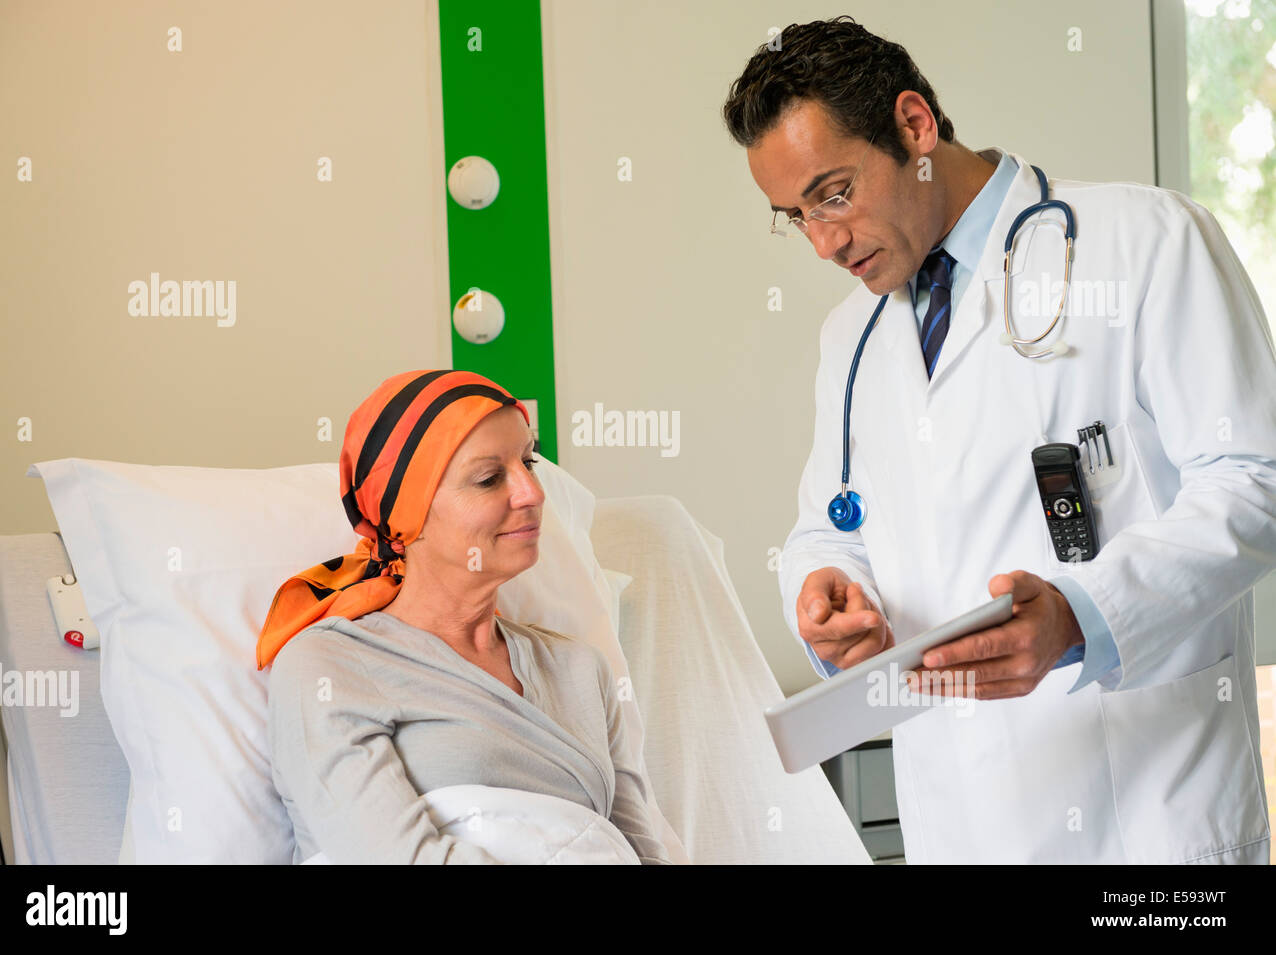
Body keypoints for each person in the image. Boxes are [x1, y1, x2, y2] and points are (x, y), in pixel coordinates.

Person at [723, 16, 1276, 863]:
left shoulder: (1147, 242)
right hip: (958, 817)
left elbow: (1256, 477)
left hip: (1150, 822)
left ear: (914, 126)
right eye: (793, 215)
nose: (824, 242)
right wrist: (827, 592)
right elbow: (831, 524)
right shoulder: (853, 336)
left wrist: (1083, 615)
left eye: (835, 193)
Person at [257, 369, 672, 864]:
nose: (532, 493)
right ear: (408, 515)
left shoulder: (580, 669)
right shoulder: (327, 667)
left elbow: (643, 851)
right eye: (489, 478)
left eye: (529, 461)